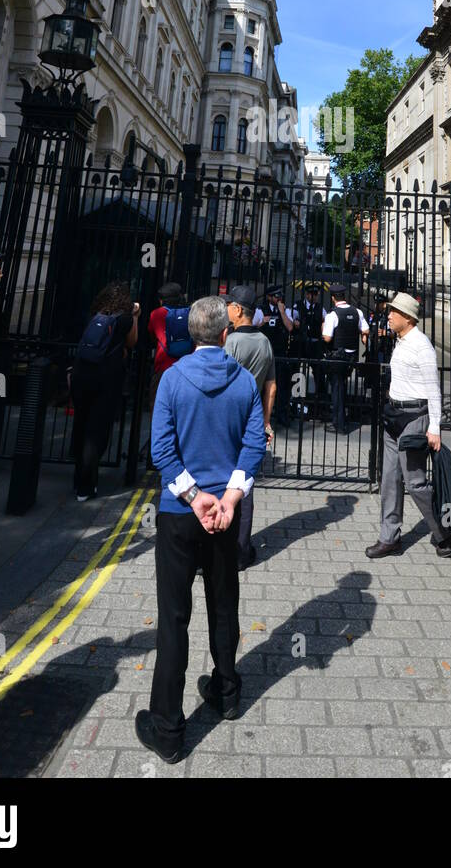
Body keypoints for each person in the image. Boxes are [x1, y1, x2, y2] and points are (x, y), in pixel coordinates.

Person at [137, 296, 267, 763]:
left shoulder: (172, 379)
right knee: (223, 601)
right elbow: (254, 444)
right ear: (226, 335)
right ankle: (227, 691)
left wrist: (195, 498)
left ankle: (168, 728)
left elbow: (162, 450)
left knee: (173, 616)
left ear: (192, 335)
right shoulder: (245, 381)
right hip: (224, 517)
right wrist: (229, 498)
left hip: (179, 512)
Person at [365, 292, 451, 559]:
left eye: (394, 312)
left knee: (415, 483)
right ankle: (389, 537)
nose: (388, 315)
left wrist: (434, 427)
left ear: (407, 318)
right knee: (389, 478)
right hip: (395, 415)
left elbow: (434, 391)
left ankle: (443, 532)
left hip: (415, 418)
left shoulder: (421, 346)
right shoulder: (401, 340)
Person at [70, 281, 139, 502]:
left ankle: (78, 478)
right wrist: (135, 316)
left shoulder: (93, 314)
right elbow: (132, 342)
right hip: (106, 379)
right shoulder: (125, 318)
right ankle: (85, 487)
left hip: (82, 375)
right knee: (96, 432)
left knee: (81, 425)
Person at [223, 285, 276, 571]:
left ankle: (220, 545)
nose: (226, 309)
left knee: (222, 479)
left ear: (238, 310)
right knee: (245, 485)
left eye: (229, 305)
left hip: (230, 420)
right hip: (253, 421)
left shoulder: (231, 343)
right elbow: (272, 386)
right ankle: (242, 551)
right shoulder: (265, 342)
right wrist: (266, 421)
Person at [321, 284, 368, 434]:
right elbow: (365, 329)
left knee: (337, 390)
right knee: (342, 388)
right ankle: (342, 419)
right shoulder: (357, 312)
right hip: (351, 356)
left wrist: (323, 329)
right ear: (344, 297)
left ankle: (339, 424)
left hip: (337, 357)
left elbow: (327, 338)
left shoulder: (332, 315)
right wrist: (363, 336)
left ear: (333, 298)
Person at [253, 285, 295, 428]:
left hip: (280, 353)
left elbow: (290, 327)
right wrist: (261, 322)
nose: (279, 299)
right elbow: (250, 328)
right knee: (263, 386)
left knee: (282, 386)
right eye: (276, 296)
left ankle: (281, 415)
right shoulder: (260, 311)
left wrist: (282, 312)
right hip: (265, 353)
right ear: (269, 297)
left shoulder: (286, 310)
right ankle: (262, 417)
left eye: (280, 296)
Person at [147, 282, 190, 403]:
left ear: (161, 300)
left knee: (158, 406)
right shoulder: (189, 313)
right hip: (186, 368)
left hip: (163, 366)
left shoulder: (156, 314)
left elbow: (152, 336)